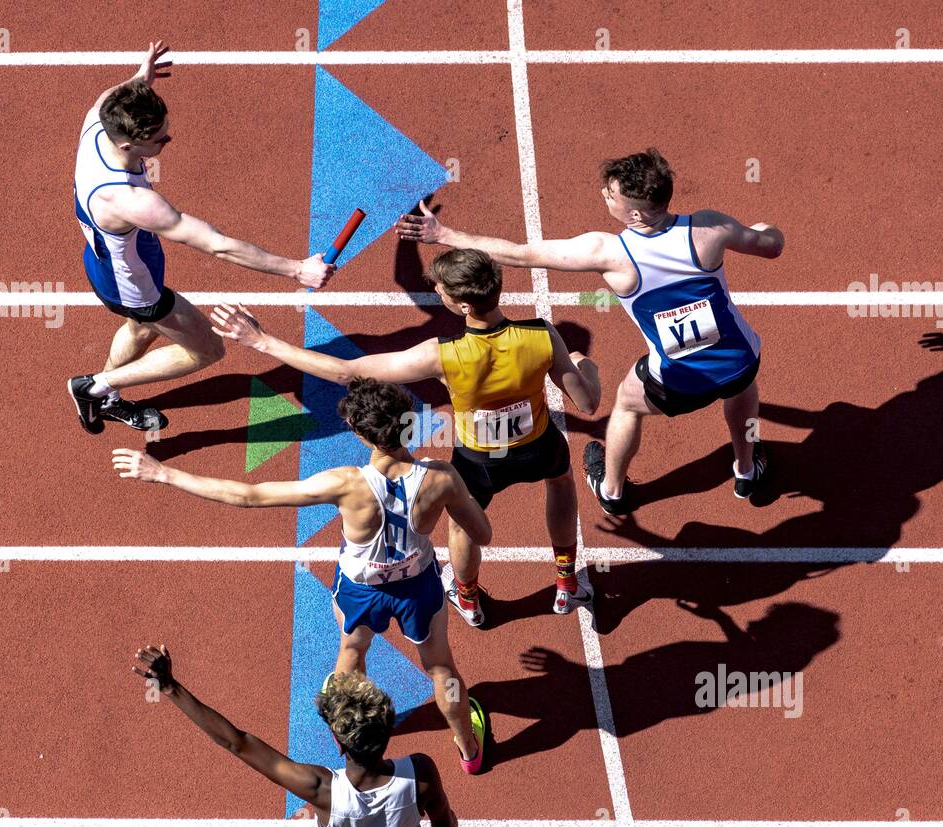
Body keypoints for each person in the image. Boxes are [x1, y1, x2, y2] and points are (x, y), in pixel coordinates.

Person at [113, 378, 494, 773]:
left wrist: (164, 474)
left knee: (352, 652)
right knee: (441, 669)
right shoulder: (442, 477)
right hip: (417, 587)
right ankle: (469, 751)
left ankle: (346, 731)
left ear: (361, 433)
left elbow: (249, 496)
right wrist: (455, 502)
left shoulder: (345, 484)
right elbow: (481, 534)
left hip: (361, 590)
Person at [208, 248, 601, 628]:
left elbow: (346, 373)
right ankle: (567, 583)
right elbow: (587, 403)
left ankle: (467, 599)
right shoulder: (542, 335)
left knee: (461, 526)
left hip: (479, 460)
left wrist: (262, 342)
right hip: (539, 446)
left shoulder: (442, 354)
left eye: (442, 291)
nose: (438, 293)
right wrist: (587, 367)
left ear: (464, 305)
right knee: (561, 483)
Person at [397, 147, 783, 515]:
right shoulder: (708, 228)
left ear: (635, 215)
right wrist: (767, 229)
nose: (604, 196)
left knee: (628, 404)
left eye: (611, 195)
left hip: (678, 381)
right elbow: (771, 246)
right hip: (739, 359)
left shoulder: (610, 253)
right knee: (742, 388)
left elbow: (520, 254)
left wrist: (445, 235)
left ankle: (611, 490)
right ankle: (746, 471)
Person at [68, 40, 334, 435]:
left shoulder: (99, 116)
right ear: (128, 145)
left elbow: (115, 96)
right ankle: (94, 387)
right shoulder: (131, 201)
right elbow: (217, 244)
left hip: (103, 262)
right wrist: (297, 270)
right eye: (160, 140)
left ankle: (105, 396)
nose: (167, 141)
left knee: (140, 328)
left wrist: (141, 78)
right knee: (207, 350)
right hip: (133, 284)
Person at [131, 646, 458, 827]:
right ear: (387, 731)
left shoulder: (320, 789)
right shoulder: (421, 772)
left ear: (338, 743)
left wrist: (171, 687)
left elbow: (237, 743)